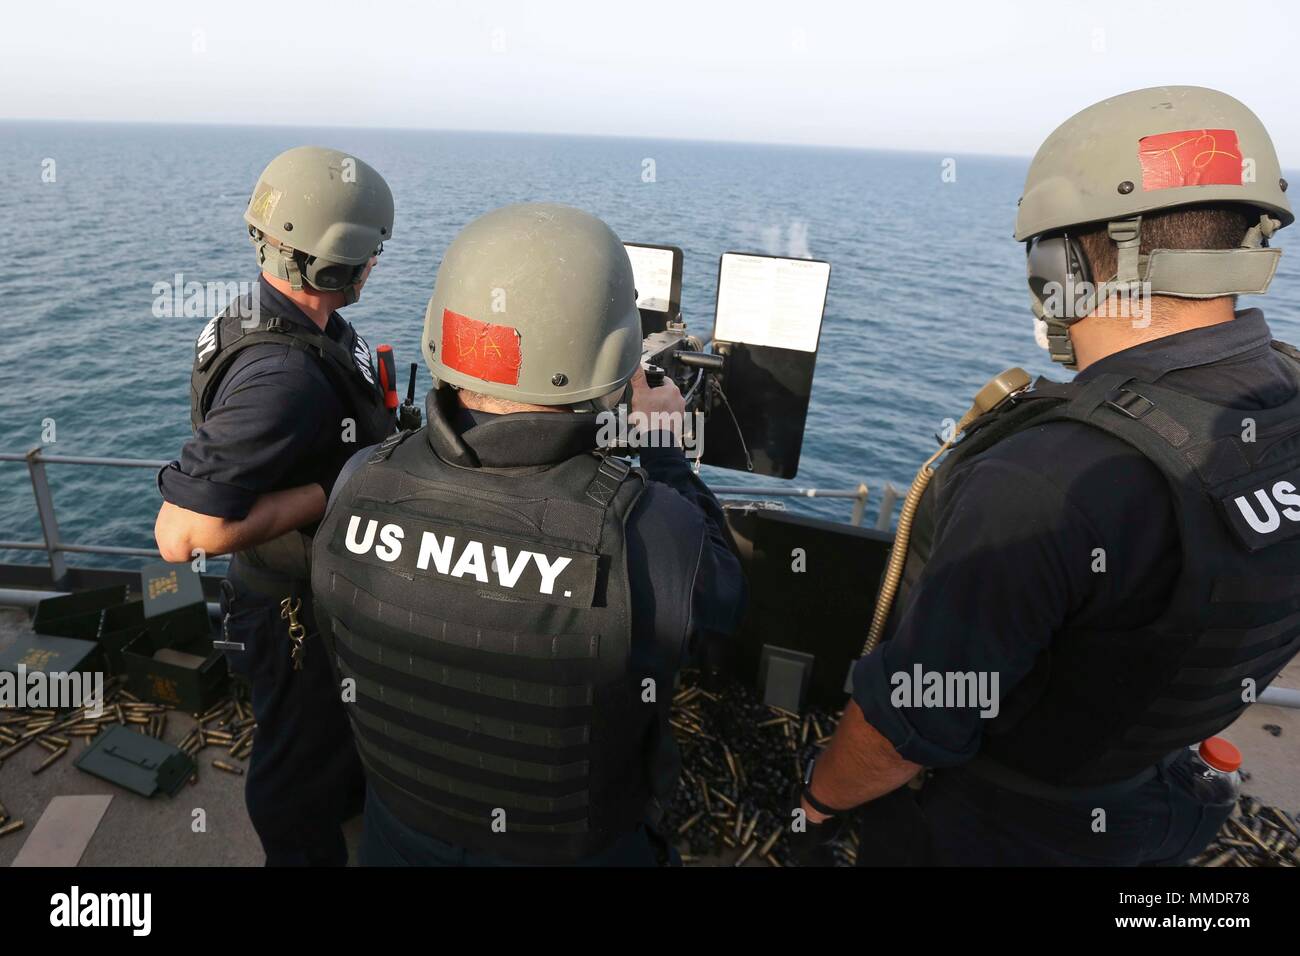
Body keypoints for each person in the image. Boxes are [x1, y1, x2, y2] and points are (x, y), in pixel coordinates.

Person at [798, 86, 1300, 865]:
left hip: (1002, 830)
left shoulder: (1046, 483)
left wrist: (817, 801)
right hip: (1155, 806)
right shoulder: (1289, 403)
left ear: (1058, 264)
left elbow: (910, 729)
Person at [310, 202, 746, 866]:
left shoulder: (355, 483)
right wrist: (662, 447)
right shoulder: (652, 534)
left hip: (395, 835)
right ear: (612, 353)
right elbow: (720, 611)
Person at [154, 146, 397, 866]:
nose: (376, 265)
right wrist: (335, 488)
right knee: (293, 761)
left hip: (315, 592)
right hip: (293, 610)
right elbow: (182, 533)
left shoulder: (279, 317)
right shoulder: (282, 375)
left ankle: (345, 801)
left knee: (325, 737)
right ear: (340, 261)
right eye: (372, 252)